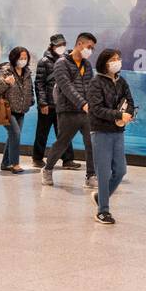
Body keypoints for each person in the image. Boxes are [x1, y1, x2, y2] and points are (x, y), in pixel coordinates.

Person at [87, 48, 134, 224]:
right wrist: (117, 115)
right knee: (104, 172)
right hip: (100, 131)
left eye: (118, 58)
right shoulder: (96, 83)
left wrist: (128, 115)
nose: (117, 61)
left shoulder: (122, 82)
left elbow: (130, 102)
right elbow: (96, 109)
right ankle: (103, 211)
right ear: (104, 62)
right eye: (113, 59)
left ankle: (101, 197)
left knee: (121, 170)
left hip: (118, 132)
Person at [45, 32, 97, 187]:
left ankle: (91, 175)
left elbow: (91, 87)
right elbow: (67, 87)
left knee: (91, 143)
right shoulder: (61, 63)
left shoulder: (87, 65)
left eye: (93, 48)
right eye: (89, 47)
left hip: (86, 112)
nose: (91, 51)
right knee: (62, 143)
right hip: (67, 111)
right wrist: (83, 104)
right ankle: (47, 169)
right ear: (79, 44)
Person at [31, 33, 74, 169]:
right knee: (42, 132)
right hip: (48, 105)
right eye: (58, 45)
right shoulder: (44, 62)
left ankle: (67, 160)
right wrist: (42, 103)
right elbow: (39, 84)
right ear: (52, 46)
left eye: (63, 44)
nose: (61, 47)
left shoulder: (67, 60)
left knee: (64, 132)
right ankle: (37, 158)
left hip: (62, 104)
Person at [0, 46, 34, 173]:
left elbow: (29, 89)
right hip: (7, 109)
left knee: (13, 136)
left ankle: (5, 163)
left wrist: (31, 101)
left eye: (25, 58)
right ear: (14, 58)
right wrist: (6, 82)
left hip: (21, 109)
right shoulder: (5, 71)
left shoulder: (27, 72)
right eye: (21, 58)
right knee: (15, 133)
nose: (23, 60)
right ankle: (15, 164)